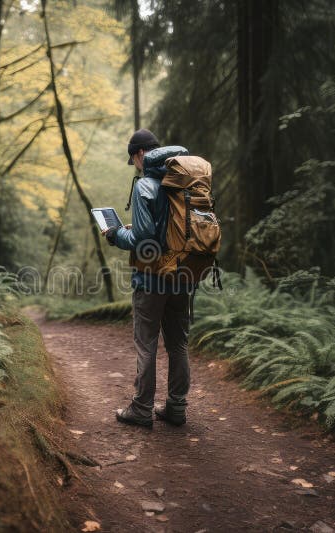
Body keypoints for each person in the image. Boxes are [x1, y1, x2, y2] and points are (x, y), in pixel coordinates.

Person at [102, 128, 192, 428]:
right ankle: (176, 408)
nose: (136, 166)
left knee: (146, 344)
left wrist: (116, 234)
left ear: (140, 153)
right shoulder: (184, 183)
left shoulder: (145, 186)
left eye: (134, 160)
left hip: (151, 279)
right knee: (178, 344)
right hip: (182, 274)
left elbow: (144, 241)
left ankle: (142, 408)